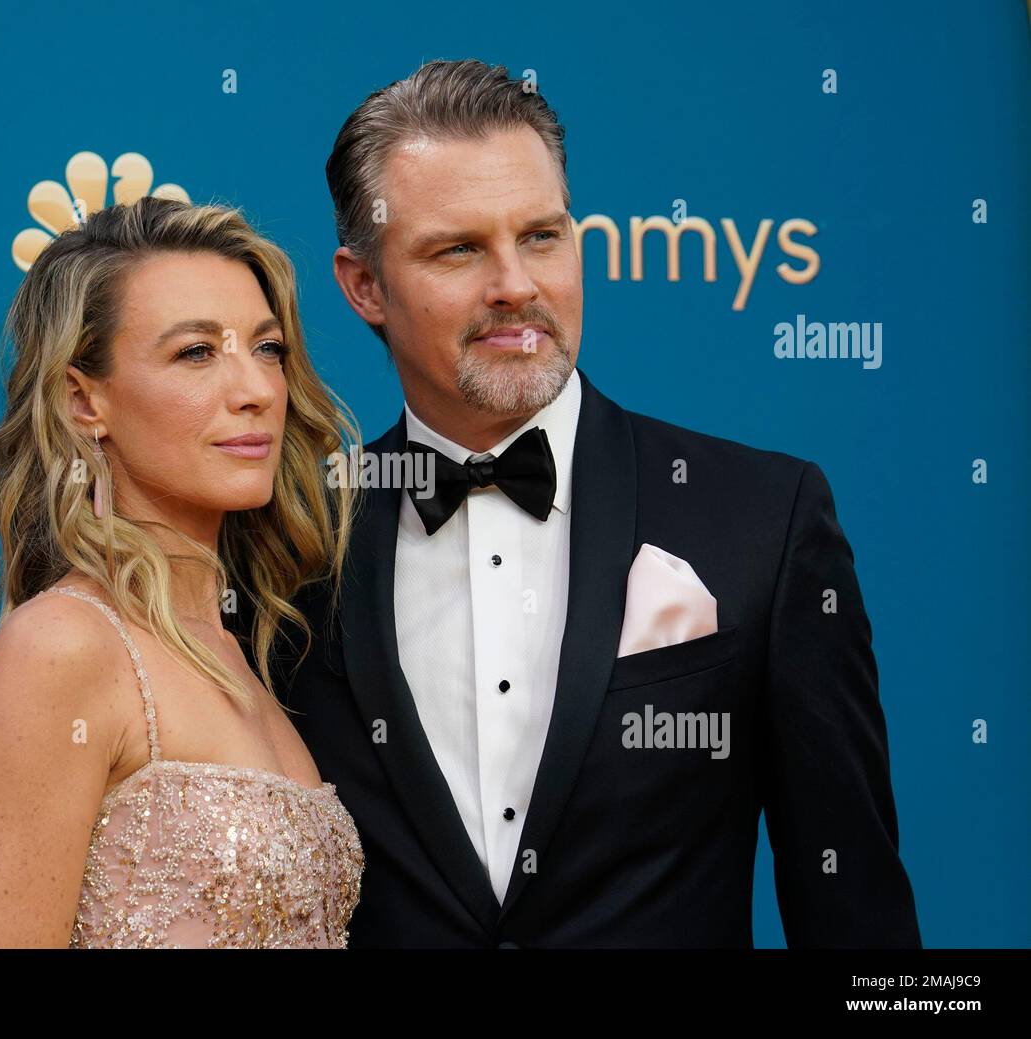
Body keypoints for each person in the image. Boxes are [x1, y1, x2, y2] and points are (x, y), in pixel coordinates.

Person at [247, 58, 922, 948]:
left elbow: (857, 912)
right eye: (459, 249)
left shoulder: (764, 516)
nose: (515, 285)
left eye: (543, 236)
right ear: (364, 285)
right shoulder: (290, 543)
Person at [0, 196, 364, 948]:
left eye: (266, 348)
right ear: (83, 400)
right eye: (197, 353)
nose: (258, 390)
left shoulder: (253, 648)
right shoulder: (64, 647)